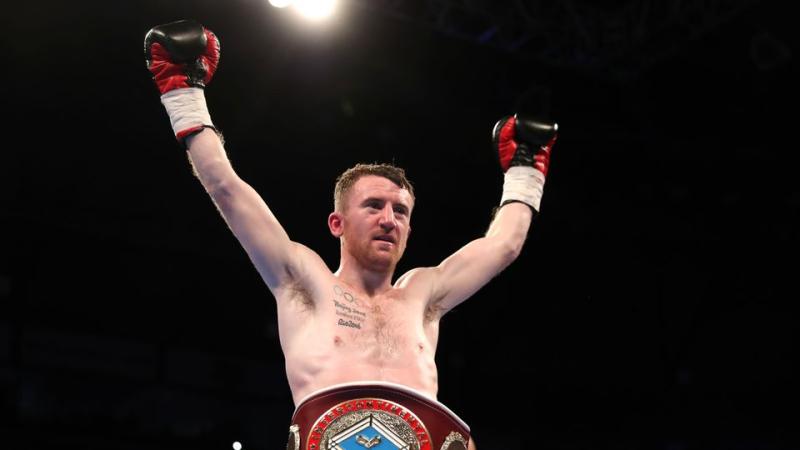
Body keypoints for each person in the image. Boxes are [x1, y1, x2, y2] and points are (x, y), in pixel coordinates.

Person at [144, 19, 557, 450]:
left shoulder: (423, 296)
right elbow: (226, 188)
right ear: (336, 223)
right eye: (374, 206)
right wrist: (183, 92)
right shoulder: (305, 281)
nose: (389, 219)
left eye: (400, 211)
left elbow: (504, 245)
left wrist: (526, 170)